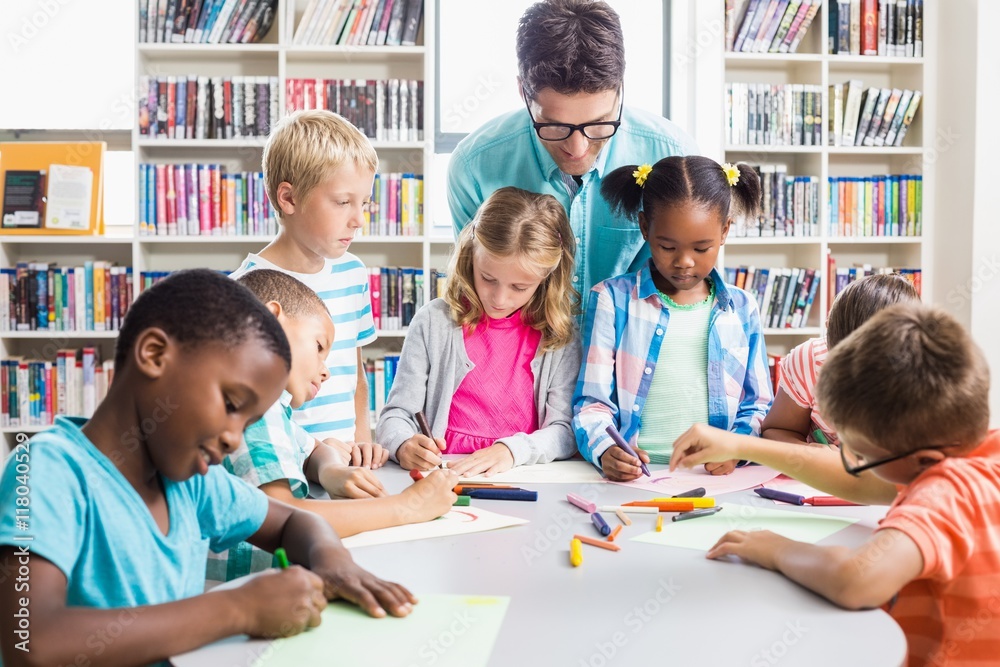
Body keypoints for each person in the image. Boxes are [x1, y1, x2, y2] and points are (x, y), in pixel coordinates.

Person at [0, 270, 415, 667]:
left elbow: (294, 523)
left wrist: (333, 563)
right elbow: (31, 642)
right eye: (232, 406)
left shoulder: (192, 483)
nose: (234, 438)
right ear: (155, 354)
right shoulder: (44, 469)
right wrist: (238, 609)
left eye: (248, 423)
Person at [699, 304, 1000, 667]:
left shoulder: (945, 492)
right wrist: (741, 444)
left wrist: (775, 548)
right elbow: (860, 483)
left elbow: (856, 580)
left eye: (860, 454)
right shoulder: (977, 455)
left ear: (922, 460)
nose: (852, 463)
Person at [208, 269, 456, 583]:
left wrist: (330, 470)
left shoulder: (271, 407)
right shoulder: (252, 412)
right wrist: (406, 507)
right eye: (319, 347)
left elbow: (313, 449)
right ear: (269, 322)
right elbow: (286, 517)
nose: (325, 371)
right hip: (245, 593)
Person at [447, 0, 698, 300]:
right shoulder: (473, 167)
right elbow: (478, 294)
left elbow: (685, 293)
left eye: (599, 124)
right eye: (554, 126)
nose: (577, 149)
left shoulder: (674, 158)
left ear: (620, 89)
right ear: (523, 93)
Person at [574, 156, 772, 481]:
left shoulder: (742, 308)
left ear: (724, 231)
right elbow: (591, 402)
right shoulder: (612, 300)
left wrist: (738, 448)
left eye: (701, 248)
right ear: (644, 228)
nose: (684, 262)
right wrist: (605, 449)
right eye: (667, 246)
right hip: (638, 480)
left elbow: (759, 404)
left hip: (716, 481)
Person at [378, 187, 581, 476]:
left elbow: (564, 430)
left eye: (519, 288)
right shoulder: (433, 322)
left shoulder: (559, 334)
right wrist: (404, 443)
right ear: (470, 255)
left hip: (522, 474)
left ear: (547, 279)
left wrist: (511, 451)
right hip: (443, 475)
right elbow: (396, 415)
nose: (499, 299)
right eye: (488, 278)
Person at [231, 109, 384, 466]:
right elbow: (244, 405)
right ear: (289, 198)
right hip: (282, 467)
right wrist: (313, 451)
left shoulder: (353, 273)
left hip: (346, 465)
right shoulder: (243, 291)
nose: (359, 219)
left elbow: (355, 375)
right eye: (343, 202)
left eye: (364, 203)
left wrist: (362, 441)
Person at [762, 273, 920, 446]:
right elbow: (777, 431)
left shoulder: (927, 377)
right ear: (828, 326)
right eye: (842, 360)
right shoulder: (811, 359)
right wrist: (810, 453)